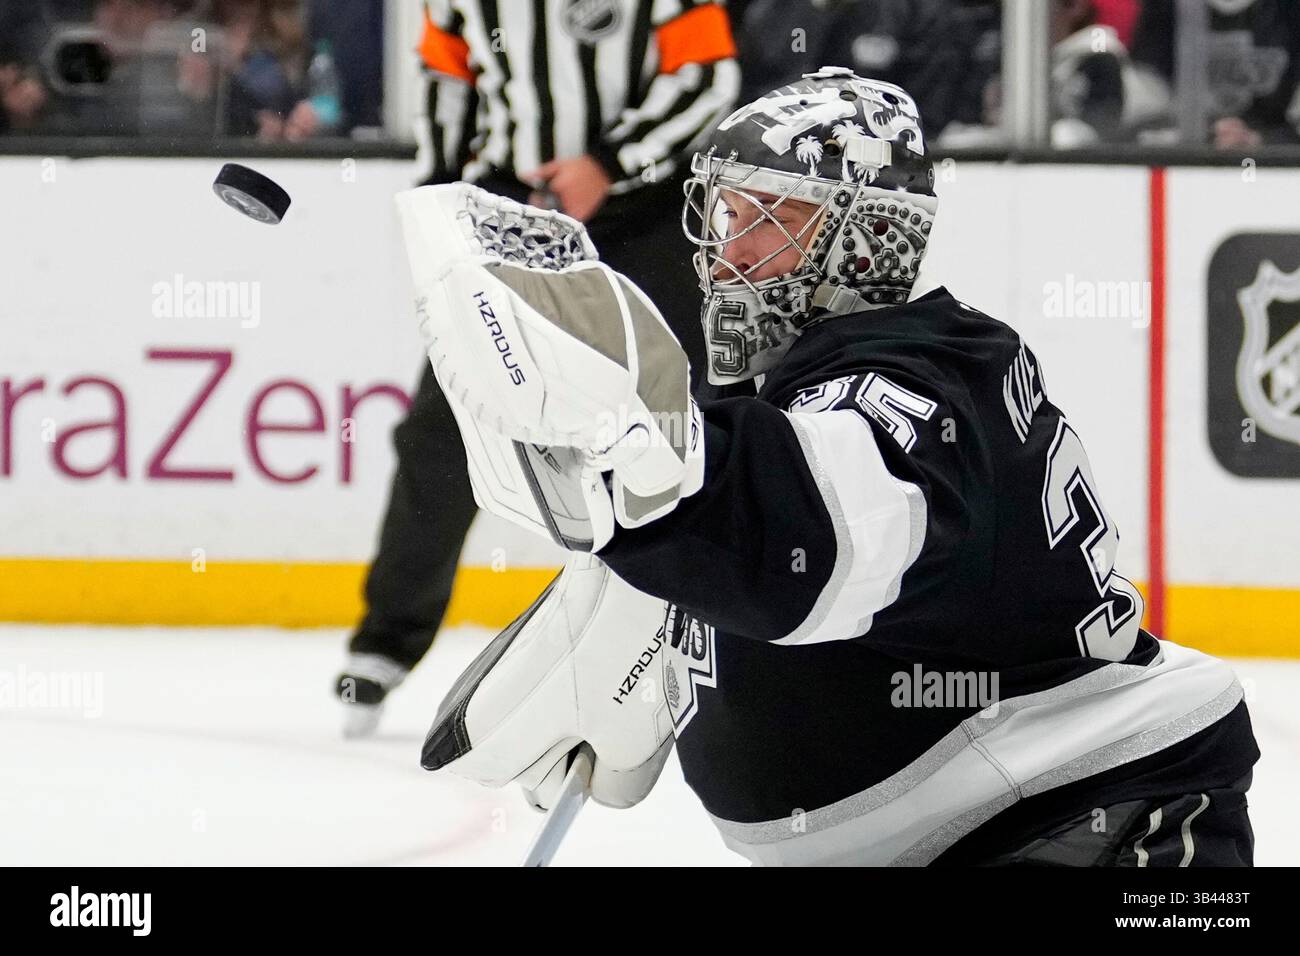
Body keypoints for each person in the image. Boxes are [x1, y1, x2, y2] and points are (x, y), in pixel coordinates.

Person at [407, 67, 1259, 865]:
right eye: (722, 217)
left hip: (1097, 821)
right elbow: (747, 525)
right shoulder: (821, 393)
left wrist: (627, 452)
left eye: (764, 223)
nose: (724, 254)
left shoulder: (920, 386)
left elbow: (804, 546)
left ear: (866, 240)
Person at [335, 0, 740, 735]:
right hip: (506, 215)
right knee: (447, 424)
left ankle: (725, 631)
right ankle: (385, 644)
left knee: (687, 419)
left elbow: (707, 80)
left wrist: (609, 165)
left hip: (640, 216)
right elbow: (445, 92)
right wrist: (441, 209)